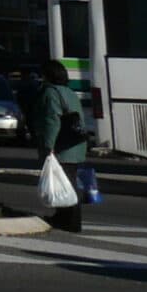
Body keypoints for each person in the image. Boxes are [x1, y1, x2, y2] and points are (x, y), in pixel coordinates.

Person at [31, 60, 89, 233]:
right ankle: (63, 217)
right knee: (66, 182)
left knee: (65, 184)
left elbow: (52, 120)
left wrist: (49, 146)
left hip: (62, 146)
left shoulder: (50, 93)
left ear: (47, 75)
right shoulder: (69, 92)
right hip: (76, 144)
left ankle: (70, 221)